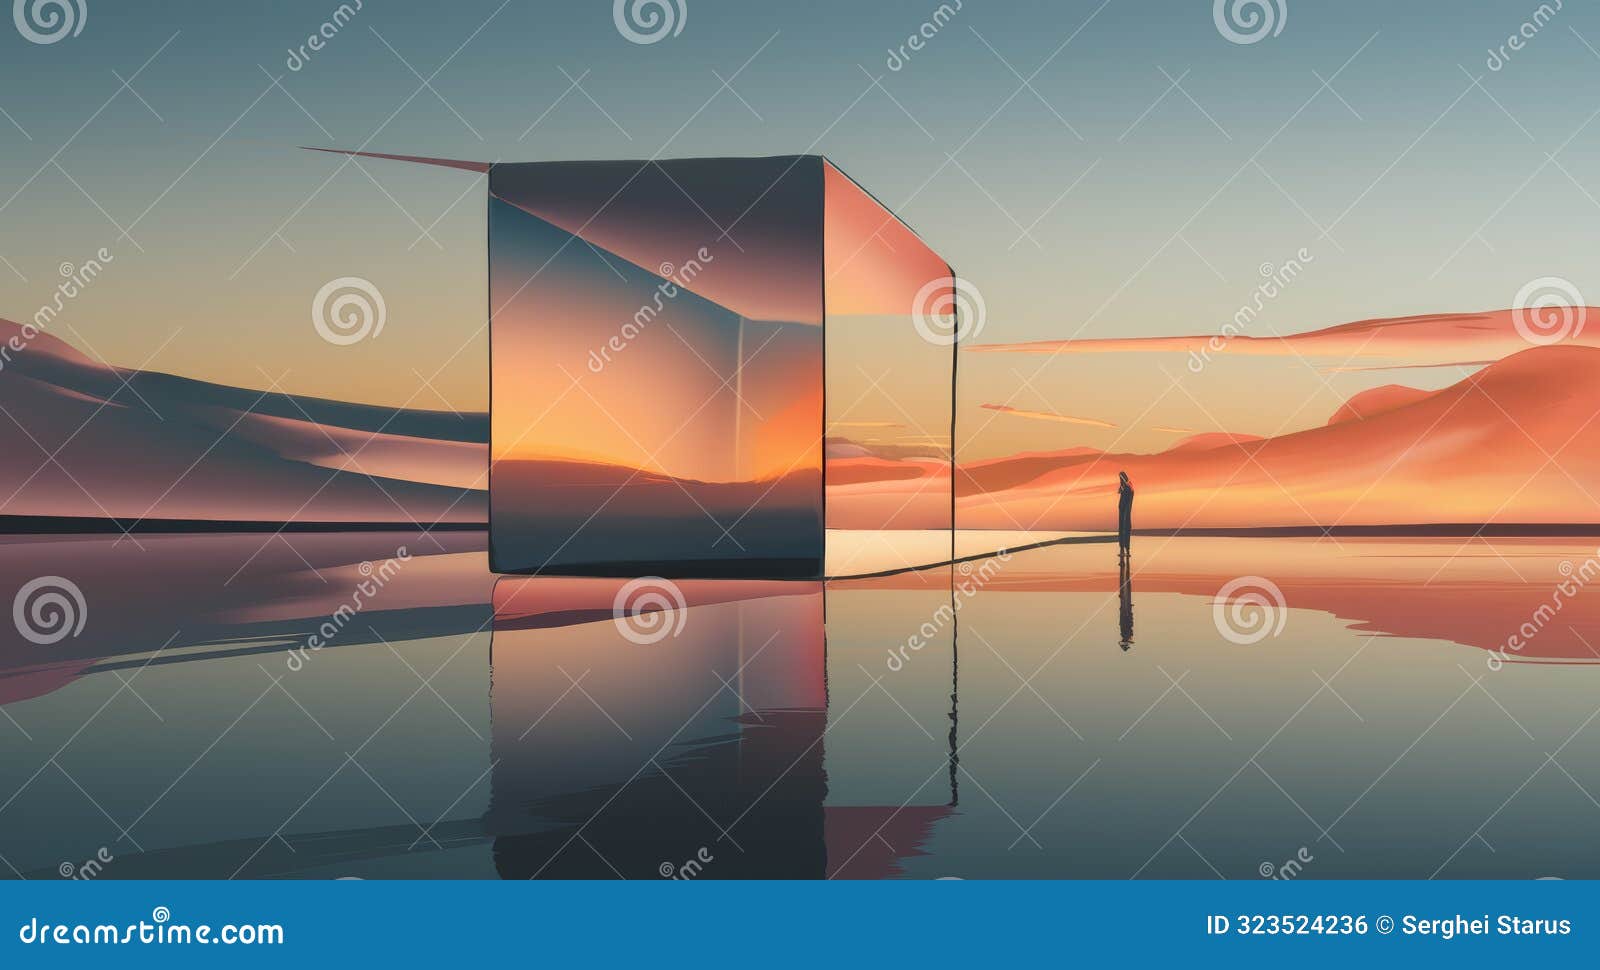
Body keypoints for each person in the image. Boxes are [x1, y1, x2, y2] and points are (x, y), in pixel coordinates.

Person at [1117, 471, 1134, 555]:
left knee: (1124, 530)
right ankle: (1125, 550)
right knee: (1124, 530)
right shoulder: (1126, 486)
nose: (1120, 480)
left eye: (1121, 478)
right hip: (1123, 513)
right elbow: (1119, 492)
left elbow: (1128, 501)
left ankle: (1125, 550)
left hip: (1125, 513)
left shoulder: (1128, 487)